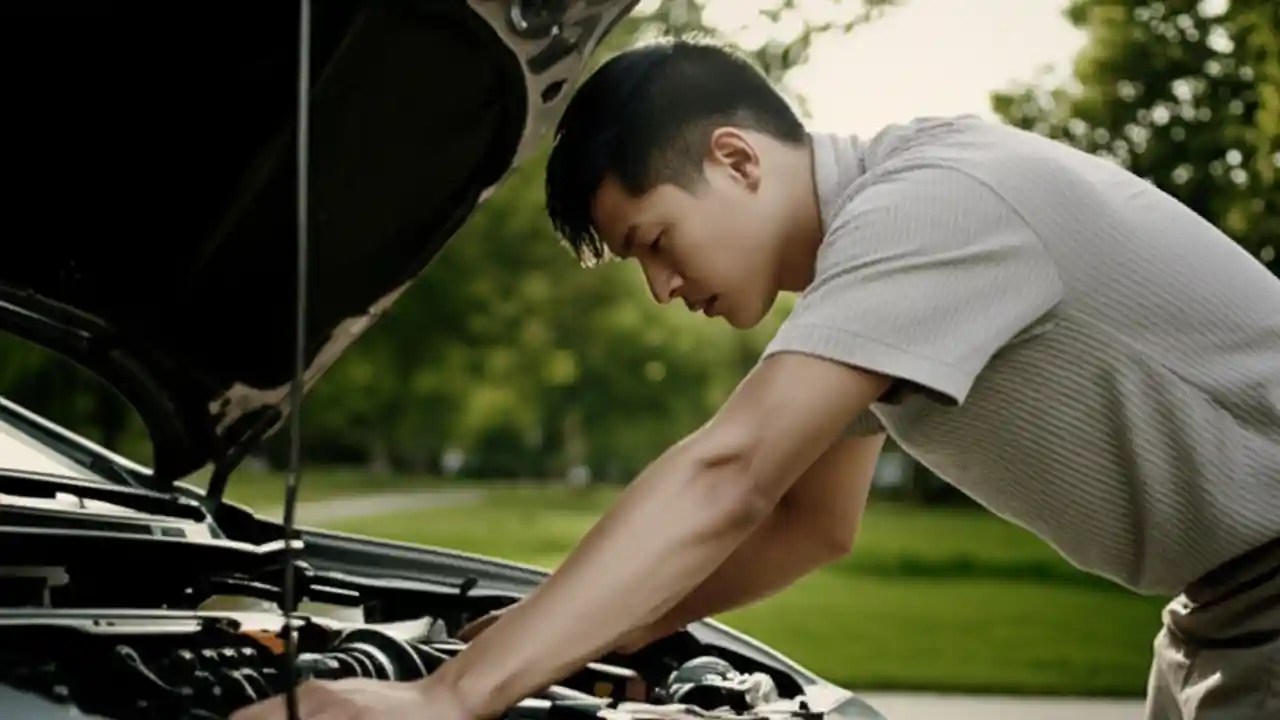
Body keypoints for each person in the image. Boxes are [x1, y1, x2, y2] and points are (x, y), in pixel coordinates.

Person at [232, 39, 1280, 720]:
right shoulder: (874, 270)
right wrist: (569, 637)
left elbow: (729, 474)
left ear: (735, 159)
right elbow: (803, 526)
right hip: (1214, 613)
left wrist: (453, 700)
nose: (659, 287)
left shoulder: (934, 205)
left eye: (654, 240)